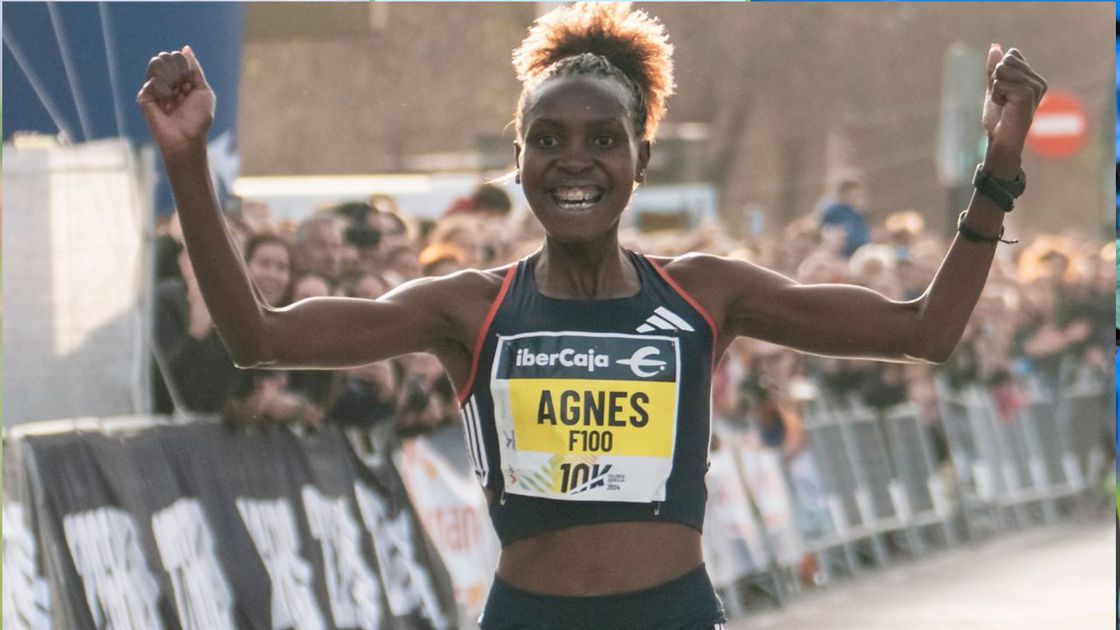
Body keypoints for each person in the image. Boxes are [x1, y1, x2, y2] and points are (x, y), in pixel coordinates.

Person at [138, 4, 1046, 628]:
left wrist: (997, 171)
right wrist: (187, 164)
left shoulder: (705, 293)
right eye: (551, 141)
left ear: (641, 157)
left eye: (603, 140)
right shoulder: (471, 306)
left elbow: (924, 330)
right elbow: (260, 338)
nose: (577, 163)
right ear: (520, 157)